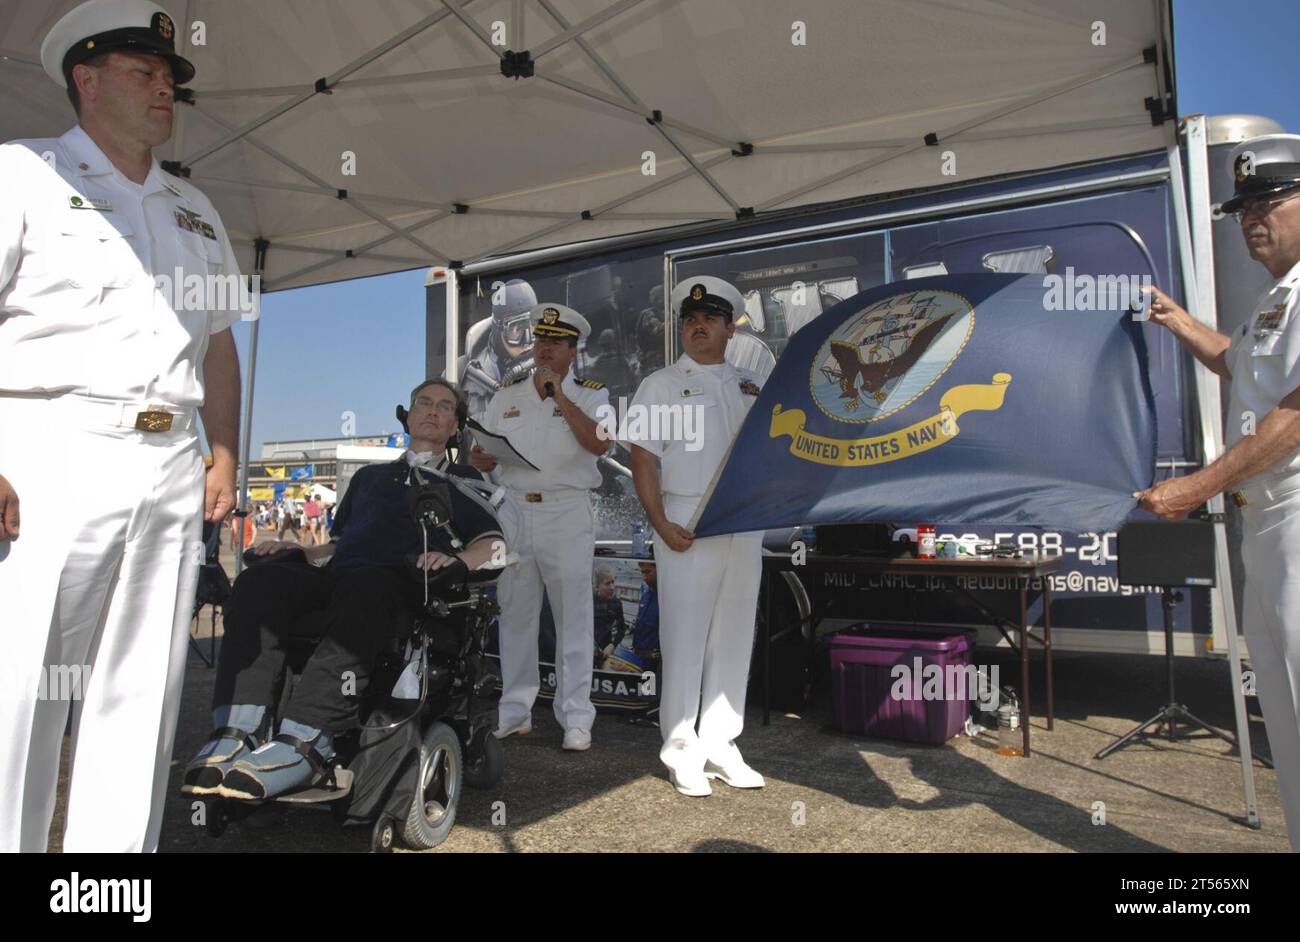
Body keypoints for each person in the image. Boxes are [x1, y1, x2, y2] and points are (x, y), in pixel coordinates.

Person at [0, 0, 242, 852]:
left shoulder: (195, 209)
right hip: (46, 447)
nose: (164, 88)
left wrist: (222, 451)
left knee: (142, 696)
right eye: (144, 73)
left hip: (171, 459)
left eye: (170, 76)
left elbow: (217, 347)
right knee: (24, 690)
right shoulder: (21, 175)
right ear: (86, 79)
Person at [183, 379, 504, 800]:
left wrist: (458, 561)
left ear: (455, 426)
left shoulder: (463, 480)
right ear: (406, 416)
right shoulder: (370, 478)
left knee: (365, 587)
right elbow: (340, 543)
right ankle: (238, 729)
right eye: (422, 403)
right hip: (342, 577)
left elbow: (494, 545)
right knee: (259, 581)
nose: (431, 411)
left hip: (403, 588)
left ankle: (306, 740)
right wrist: (299, 549)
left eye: (444, 407)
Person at [1139, 133, 1300, 850]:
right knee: (1286, 715)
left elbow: (1292, 418)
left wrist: (1194, 487)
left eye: (1268, 201)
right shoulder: (1279, 298)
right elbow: (1241, 363)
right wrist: (1178, 323)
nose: (1251, 219)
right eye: (1243, 207)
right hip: (1266, 530)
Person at [626, 276, 766, 797]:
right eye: (689, 319)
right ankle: (681, 749)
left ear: (731, 328)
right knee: (683, 638)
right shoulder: (660, 384)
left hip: (743, 522)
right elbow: (643, 455)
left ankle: (722, 743)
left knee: (733, 636)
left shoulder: (752, 386)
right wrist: (660, 523)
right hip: (684, 519)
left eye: (708, 319)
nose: (697, 326)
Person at [471, 303, 609, 751]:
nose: (545, 350)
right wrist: (481, 460)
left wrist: (560, 398)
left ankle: (575, 717)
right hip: (513, 508)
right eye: (541, 341)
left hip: (565, 511)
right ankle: (515, 712)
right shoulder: (507, 393)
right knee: (515, 613)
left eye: (556, 343)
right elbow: (484, 450)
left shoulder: (592, 393)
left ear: (573, 351)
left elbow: (598, 443)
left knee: (573, 618)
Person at [593, 566, 627, 665]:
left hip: (606, 652)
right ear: (597, 586)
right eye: (607, 583)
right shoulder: (589, 602)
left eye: (613, 582)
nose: (612, 587)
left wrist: (613, 645)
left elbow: (621, 628)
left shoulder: (616, 603)